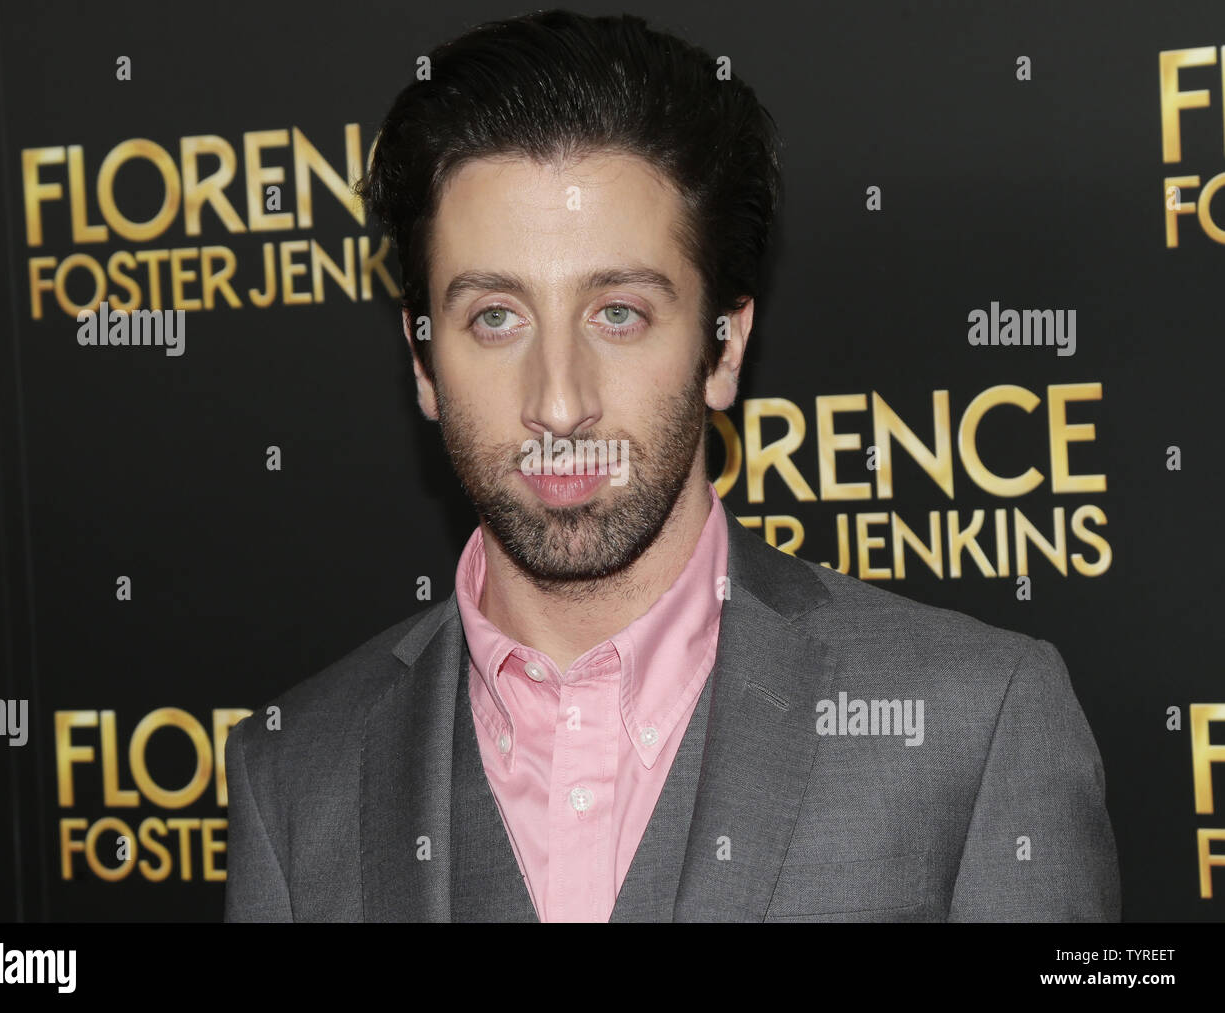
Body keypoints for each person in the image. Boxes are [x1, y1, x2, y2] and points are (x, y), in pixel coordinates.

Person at [224, 9, 1119, 922]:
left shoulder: (976, 721)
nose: (560, 403)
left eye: (618, 312)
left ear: (724, 348)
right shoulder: (294, 776)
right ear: (424, 364)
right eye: (496, 315)